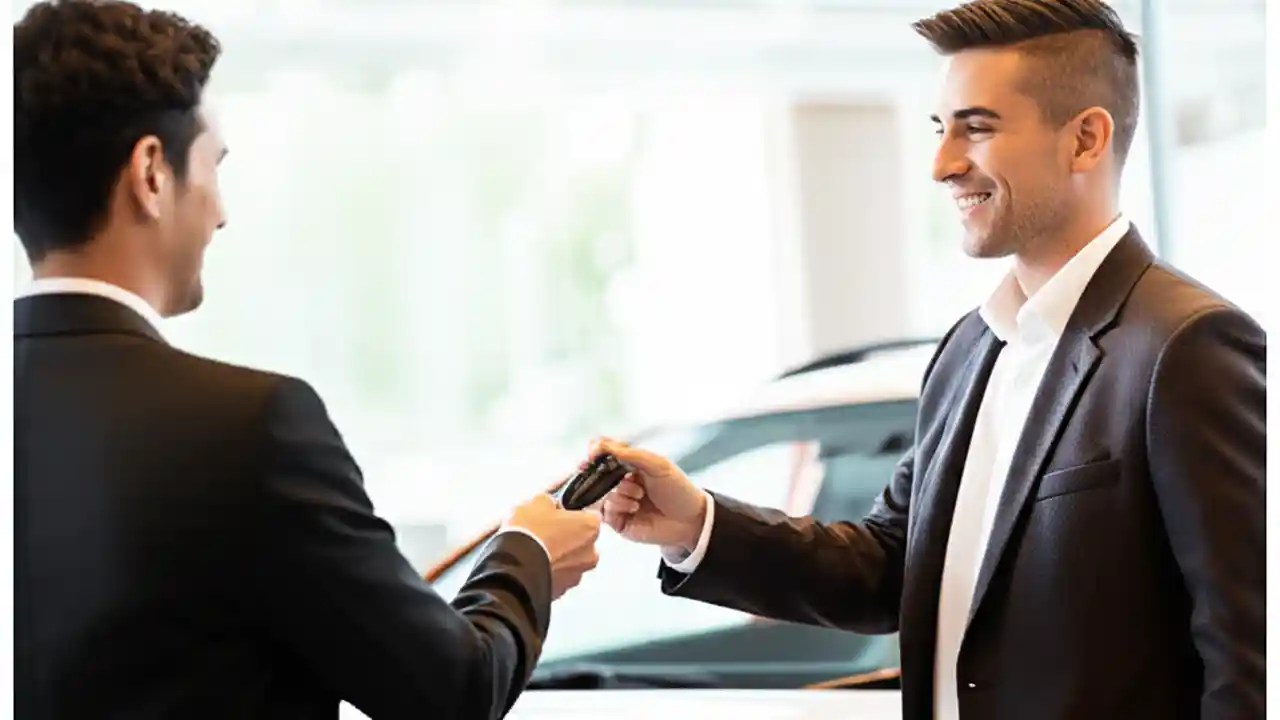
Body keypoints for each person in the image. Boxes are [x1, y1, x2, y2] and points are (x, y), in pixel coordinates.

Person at [593, 1, 1265, 718]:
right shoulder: (969, 350)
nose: (943, 165)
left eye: (978, 128)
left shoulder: (1187, 346)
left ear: (1085, 140)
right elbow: (889, 564)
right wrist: (696, 523)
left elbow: (1250, 656)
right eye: (941, 128)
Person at [13, 2, 601, 718]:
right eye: (214, 166)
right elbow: (452, 691)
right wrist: (529, 554)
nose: (221, 213)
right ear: (152, 174)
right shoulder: (249, 427)